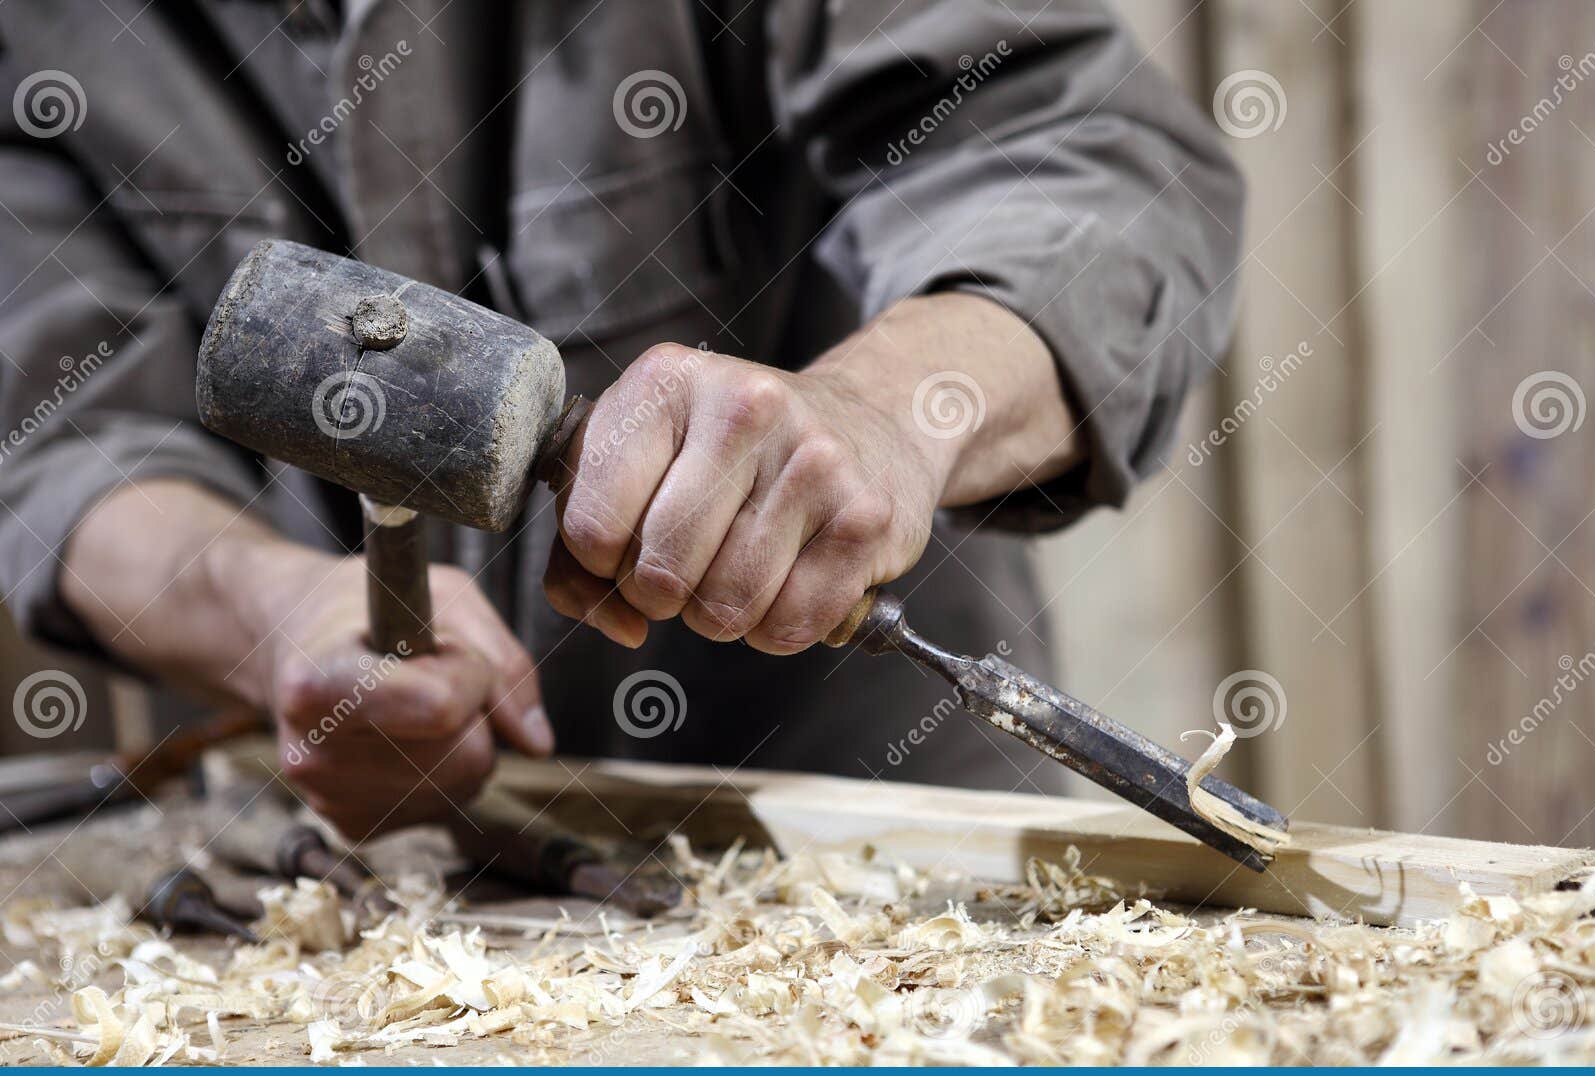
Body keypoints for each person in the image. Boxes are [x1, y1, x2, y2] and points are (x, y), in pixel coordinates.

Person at [0, 0, 1242, 839]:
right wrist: (275, 616)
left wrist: (886, 409)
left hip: (863, 843)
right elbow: (51, 434)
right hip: (393, 913)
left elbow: (1087, 156)